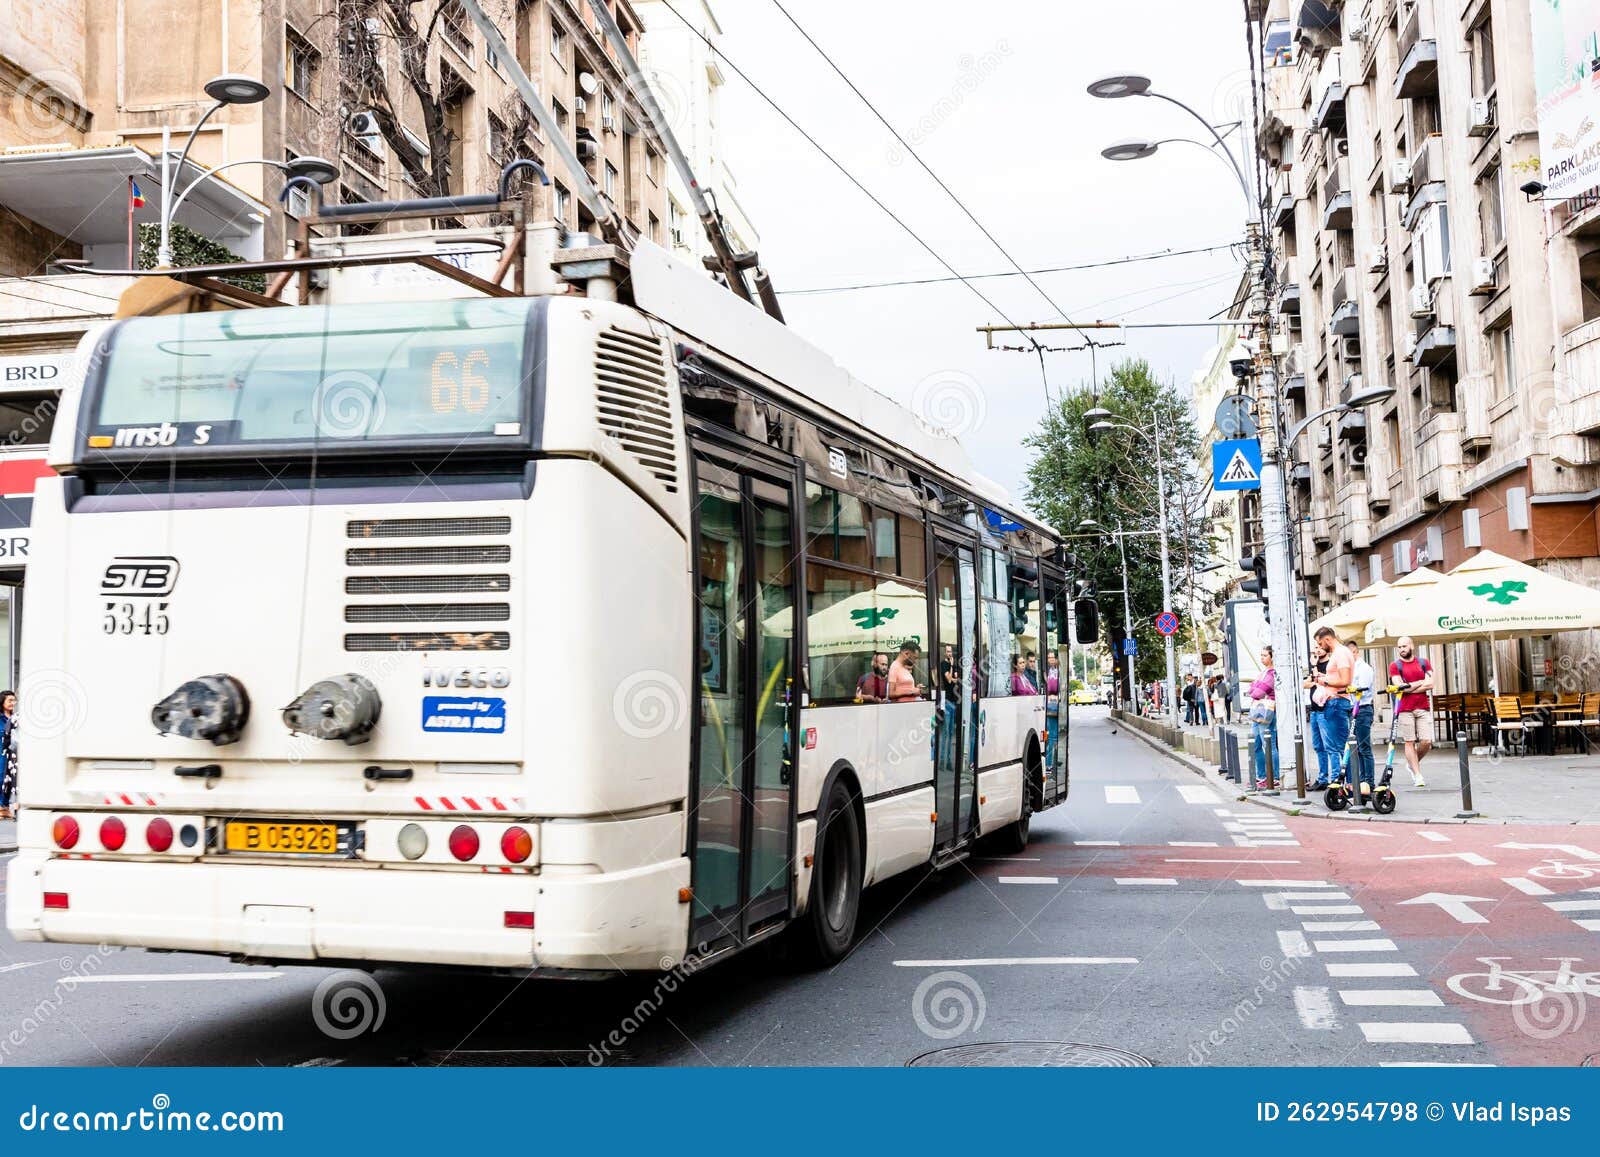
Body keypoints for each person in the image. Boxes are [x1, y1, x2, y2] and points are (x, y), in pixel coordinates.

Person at [1308, 627, 1354, 789]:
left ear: (1327, 639)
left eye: (1320, 643)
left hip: (1336, 702)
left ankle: (1341, 783)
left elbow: (1345, 680)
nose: (1320, 646)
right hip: (1335, 702)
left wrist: (1324, 681)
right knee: (1339, 747)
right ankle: (1348, 783)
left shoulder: (1340, 653)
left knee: (1335, 747)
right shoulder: (1340, 653)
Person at [1388, 635, 1434, 788]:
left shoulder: (1423, 663)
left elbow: (1431, 684)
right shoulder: (1395, 666)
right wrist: (1420, 682)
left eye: (1404, 646)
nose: (1402, 649)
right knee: (1410, 741)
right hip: (1405, 709)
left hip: (1422, 707)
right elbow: (1400, 687)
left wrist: (1410, 687)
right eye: (1399, 647)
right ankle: (1417, 774)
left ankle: (1412, 763)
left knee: (1427, 741)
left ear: (1412, 646)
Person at [1346, 640, 1376, 796]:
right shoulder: (1351, 669)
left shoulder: (1364, 668)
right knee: (1355, 747)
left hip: (1363, 709)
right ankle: (1361, 781)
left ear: (1354, 652)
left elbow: (1363, 689)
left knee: (1364, 747)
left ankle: (1369, 782)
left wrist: (1349, 689)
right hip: (1354, 709)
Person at [1247, 648, 1278, 788]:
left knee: (1269, 744)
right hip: (1258, 711)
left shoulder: (1272, 673)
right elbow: (1251, 689)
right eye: (1261, 655)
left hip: (1267, 711)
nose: (1262, 658)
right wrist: (1255, 689)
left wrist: (1255, 689)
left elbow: (1258, 692)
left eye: (1265, 655)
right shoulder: (1263, 672)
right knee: (1256, 745)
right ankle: (1261, 776)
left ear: (1272, 657)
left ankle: (1275, 776)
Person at [0, 690, 16, 820]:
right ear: (2, 702)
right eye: (9, 700)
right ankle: (1, 806)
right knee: (1, 777)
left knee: (9, 780)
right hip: (1, 751)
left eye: (14, 700)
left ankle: (4, 807)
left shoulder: (15, 717)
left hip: (12, 753)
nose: (12, 703)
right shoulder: (0, 719)